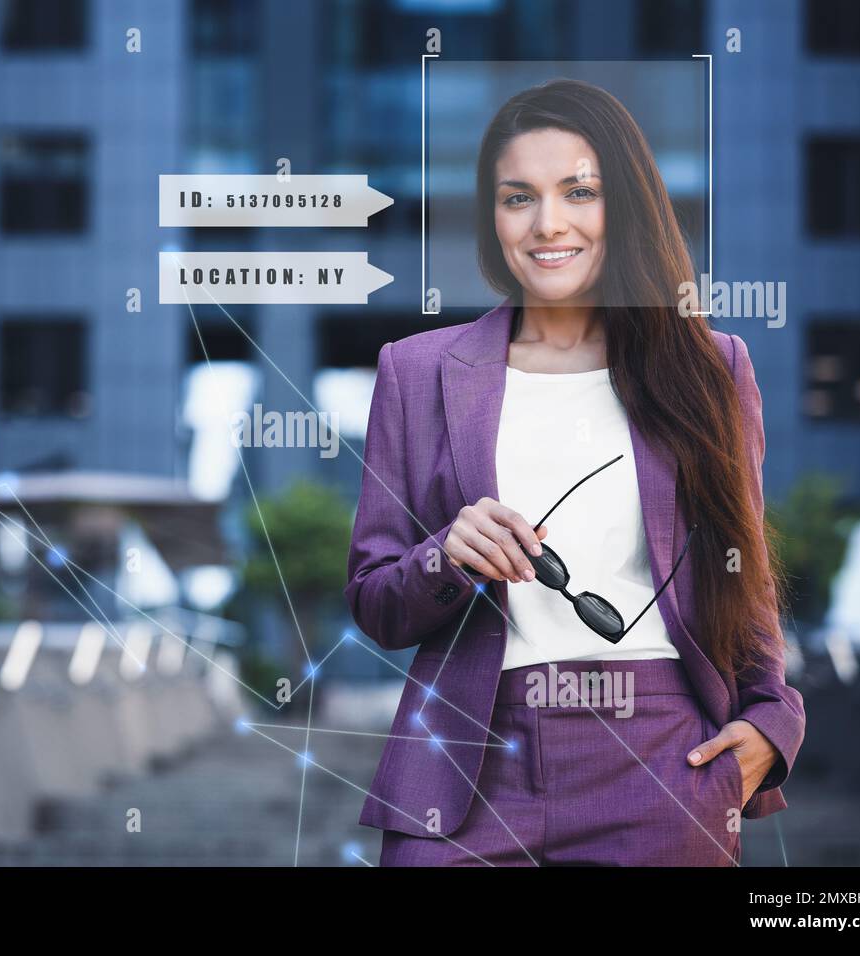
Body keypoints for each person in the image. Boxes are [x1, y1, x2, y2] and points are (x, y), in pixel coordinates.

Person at [344, 78, 806, 866]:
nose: (547, 223)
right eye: (517, 197)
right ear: (492, 217)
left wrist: (773, 722)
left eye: (579, 192)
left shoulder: (711, 367)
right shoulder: (416, 371)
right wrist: (444, 557)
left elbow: (744, 569)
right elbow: (375, 604)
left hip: (662, 760)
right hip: (466, 759)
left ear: (621, 204)